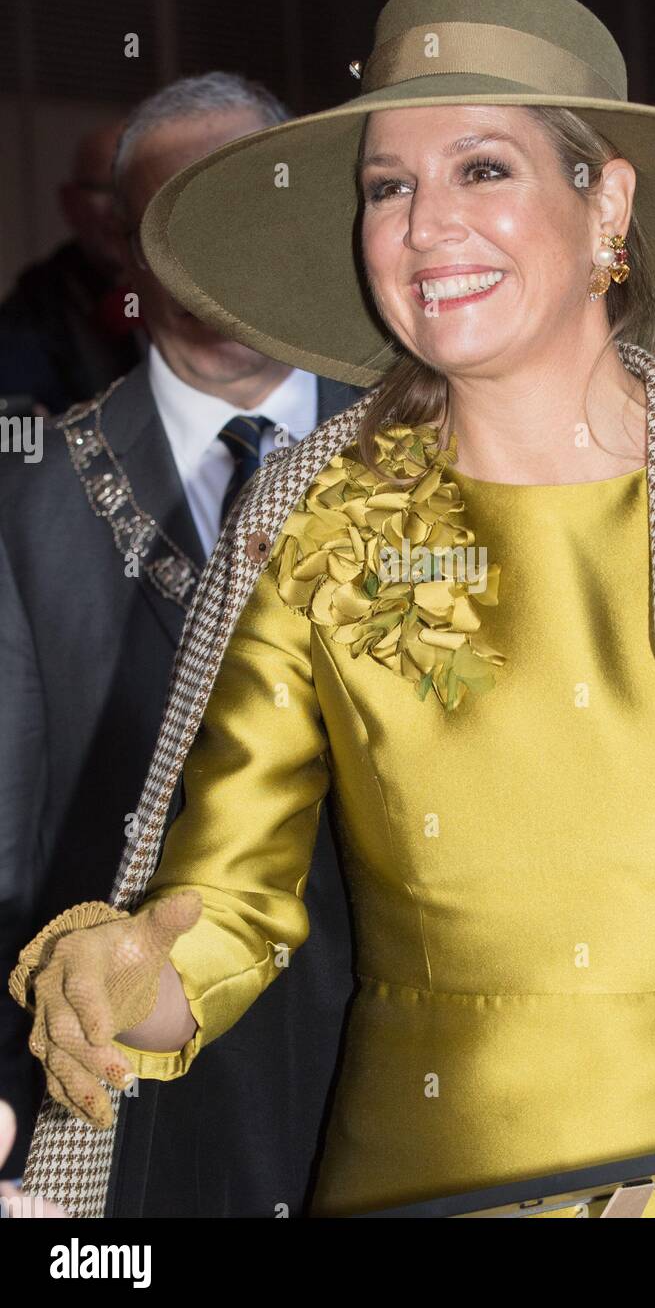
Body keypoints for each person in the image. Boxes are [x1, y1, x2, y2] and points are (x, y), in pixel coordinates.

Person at [12, 0, 655, 1221]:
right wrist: (120, 979)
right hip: (411, 1188)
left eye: (482, 169)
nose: (425, 226)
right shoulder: (312, 513)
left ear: (606, 201)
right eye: (386, 187)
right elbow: (226, 903)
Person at [0, 73, 359, 1212]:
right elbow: (7, 840)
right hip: (127, 1084)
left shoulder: (426, 446)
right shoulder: (33, 494)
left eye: (244, 210)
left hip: (393, 1061)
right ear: (121, 245)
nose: (211, 260)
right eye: (173, 222)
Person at [0, 121, 145, 413]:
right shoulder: (32, 313)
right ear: (70, 202)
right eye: (106, 189)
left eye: (136, 190)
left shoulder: (186, 290)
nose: (121, 210)